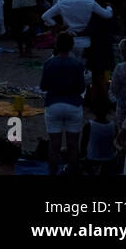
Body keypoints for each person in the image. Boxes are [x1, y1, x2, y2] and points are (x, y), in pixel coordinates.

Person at [39, 32, 85, 175]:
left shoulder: (49, 63)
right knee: (72, 144)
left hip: (53, 104)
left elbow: (43, 86)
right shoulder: (77, 64)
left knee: (54, 145)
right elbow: (81, 88)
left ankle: (52, 172)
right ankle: (72, 171)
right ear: (71, 46)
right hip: (73, 104)